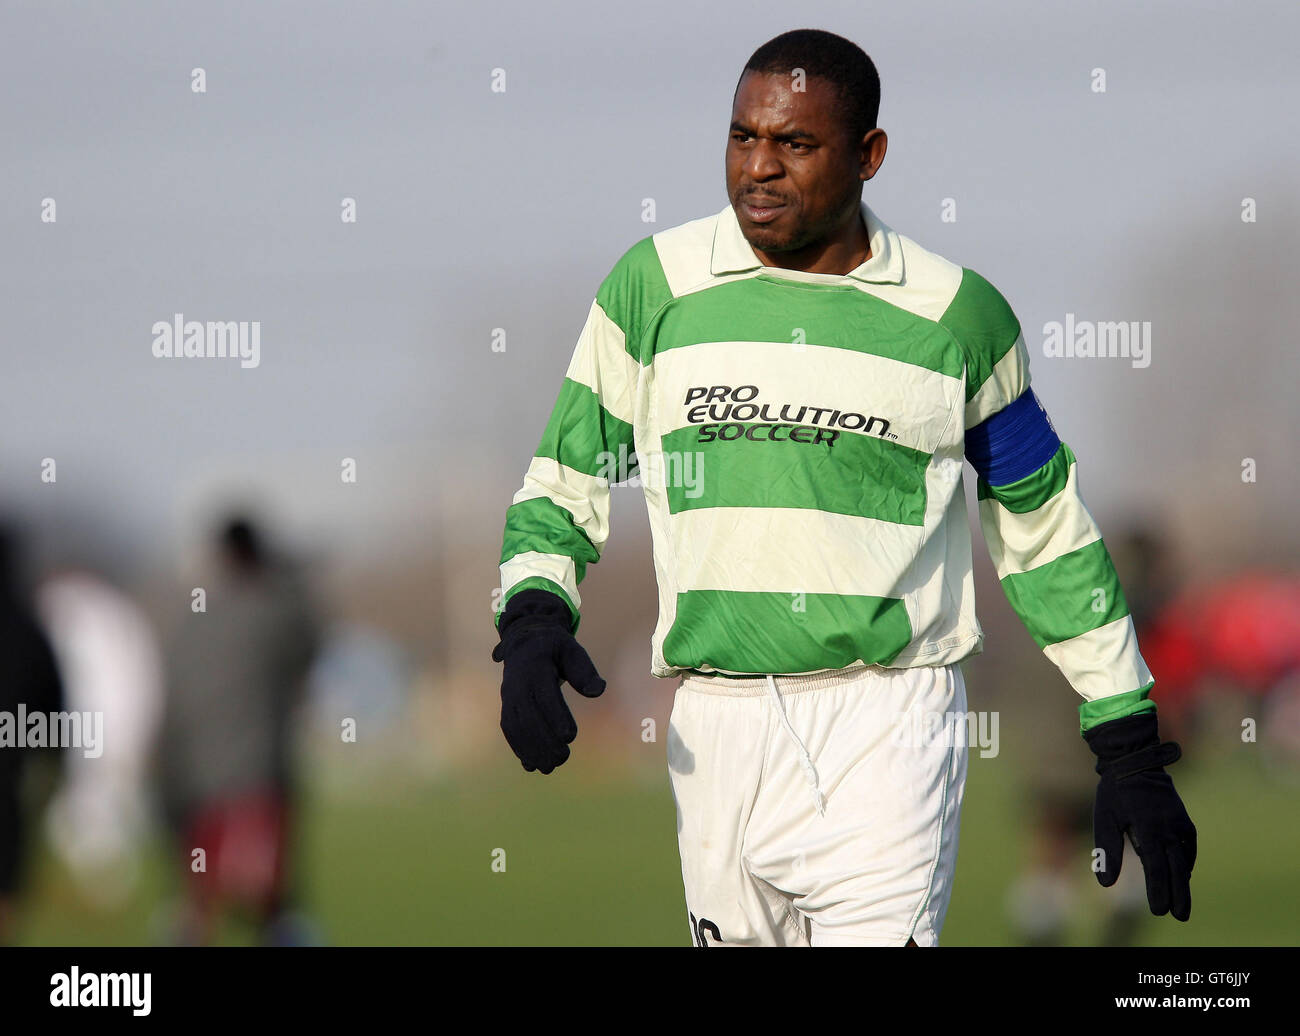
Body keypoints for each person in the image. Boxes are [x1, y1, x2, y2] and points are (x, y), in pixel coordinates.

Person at [490, 29, 1196, 946]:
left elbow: (1044, 527)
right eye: (744, 137)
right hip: (714, 724)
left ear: (869, 156)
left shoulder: (957, 317)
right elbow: (564, 478)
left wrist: (1125, 734)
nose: (759, 168)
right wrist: (535, 615)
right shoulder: (651, 287)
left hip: (885, 722)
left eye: (795, 144)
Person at [156, 515, 321, 944]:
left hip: (194, 785)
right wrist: (289, 578)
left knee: (199, 906)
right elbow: (311, 645)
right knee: (272, 906)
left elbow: (171, 704)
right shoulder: (273, 608)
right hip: (255, 781)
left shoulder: (192, 619)